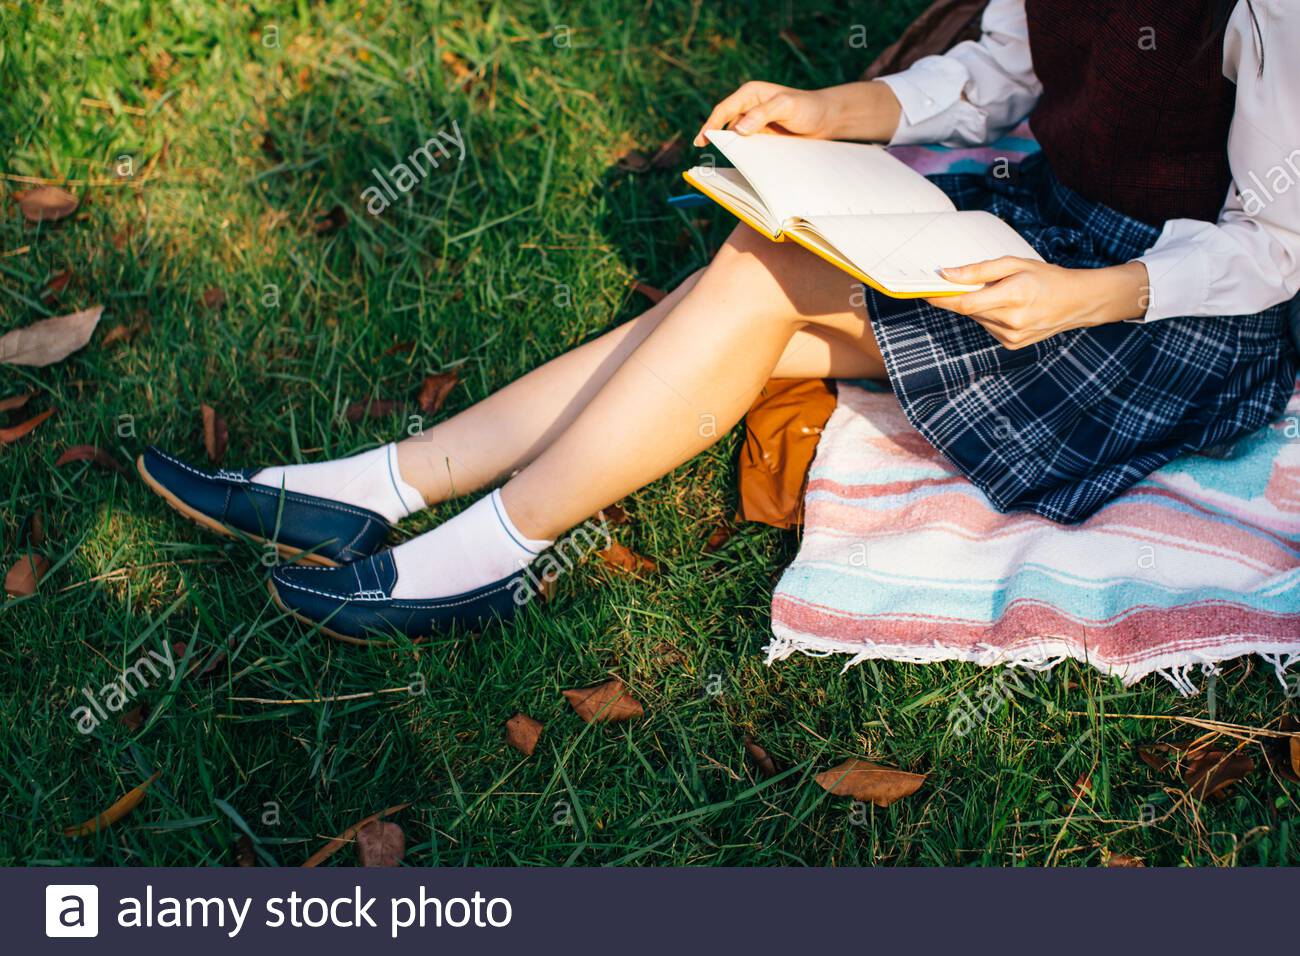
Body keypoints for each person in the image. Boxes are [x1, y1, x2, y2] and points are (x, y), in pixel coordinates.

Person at [137, 0, 1298, 642]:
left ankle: (475, 541)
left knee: (750, 280)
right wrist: (829, 107)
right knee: (737, 302)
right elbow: (1001, 69)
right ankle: (384, 493)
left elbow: (1275, 244)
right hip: (1048, 229)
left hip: (1168, 312)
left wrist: (1086, 296)